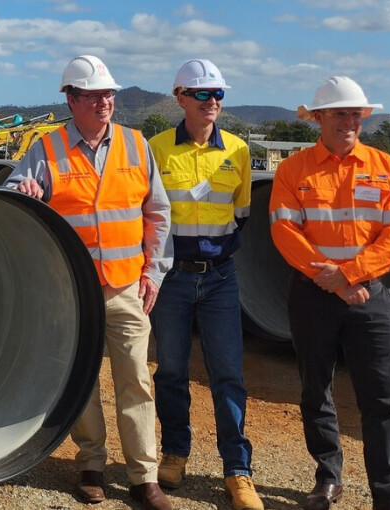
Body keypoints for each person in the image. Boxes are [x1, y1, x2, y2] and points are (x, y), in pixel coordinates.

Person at [5, 55, 173, 510]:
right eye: (94, 95)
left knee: (136, 379)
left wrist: (153, 272)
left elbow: (157, 213)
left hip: (125, 288)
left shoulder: (137, 146)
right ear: (72, 99)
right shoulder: (48, 148)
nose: (104, 102)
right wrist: (25, 189)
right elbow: (18, 187)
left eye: (109, 94)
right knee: (84, 382)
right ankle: (91, 465)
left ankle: (144, 477)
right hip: (71, 289)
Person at [268, 76, 390, 510]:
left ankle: (389, 496)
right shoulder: (292, 170)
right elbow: (284, 231)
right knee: (316, 389)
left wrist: (350, 276)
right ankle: (328, 477)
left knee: (382, 399)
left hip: (369, 296)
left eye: (356, 113)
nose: (349, 121)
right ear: (318, 118)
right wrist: (329, 278)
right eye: (339, 113)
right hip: (314, 296)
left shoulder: (388, 168)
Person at [145, 59, 261, 510]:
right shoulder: (154, 149)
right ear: (180, 97)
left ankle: (238, 471)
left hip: (219, 280)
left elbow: (242, 214)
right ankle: (175, 453)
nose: (212, 102)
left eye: (218, 95)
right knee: (171, 370)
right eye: (202, 94)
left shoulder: (238, 151)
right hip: (171, 279)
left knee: (228, 374)